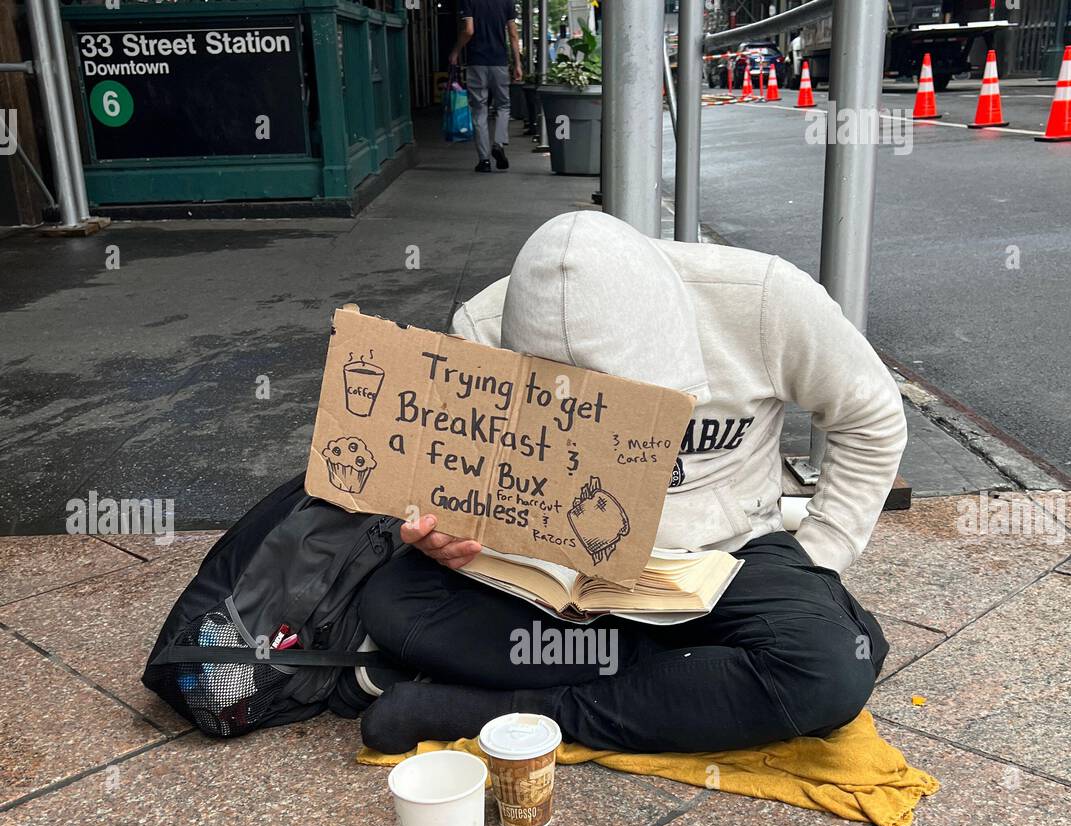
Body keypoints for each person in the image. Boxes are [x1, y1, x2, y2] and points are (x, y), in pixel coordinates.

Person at [338, 211, 907, 756]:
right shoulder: (481, 326)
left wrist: (822, 553)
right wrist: (449, 539)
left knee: (826, 671)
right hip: (554, 568)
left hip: (728, 556)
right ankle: (690, 673)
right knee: (393, 603)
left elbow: (871, 417)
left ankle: (515, 708)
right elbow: (470, 480)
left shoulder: (763, 298)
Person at [450, 0, 522, 173]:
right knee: (503, 105)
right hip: (499, 63)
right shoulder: (507, 3)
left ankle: (484, 161)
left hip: (477, 63)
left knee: (479, 108)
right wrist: (517, 63)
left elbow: (468, 30)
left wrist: (456, 51)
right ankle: (498, 143)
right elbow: (513, 34)